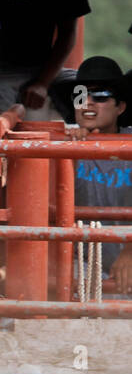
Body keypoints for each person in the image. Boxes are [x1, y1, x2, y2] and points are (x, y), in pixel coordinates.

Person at [61, 57, 132, 293]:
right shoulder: (61, 145)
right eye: (80, 95)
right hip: (81, 268)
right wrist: (71, 146)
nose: (88, 103)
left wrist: (130, 251)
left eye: (100, 96)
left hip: (127, 260)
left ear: (120, 107)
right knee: (58, 278)